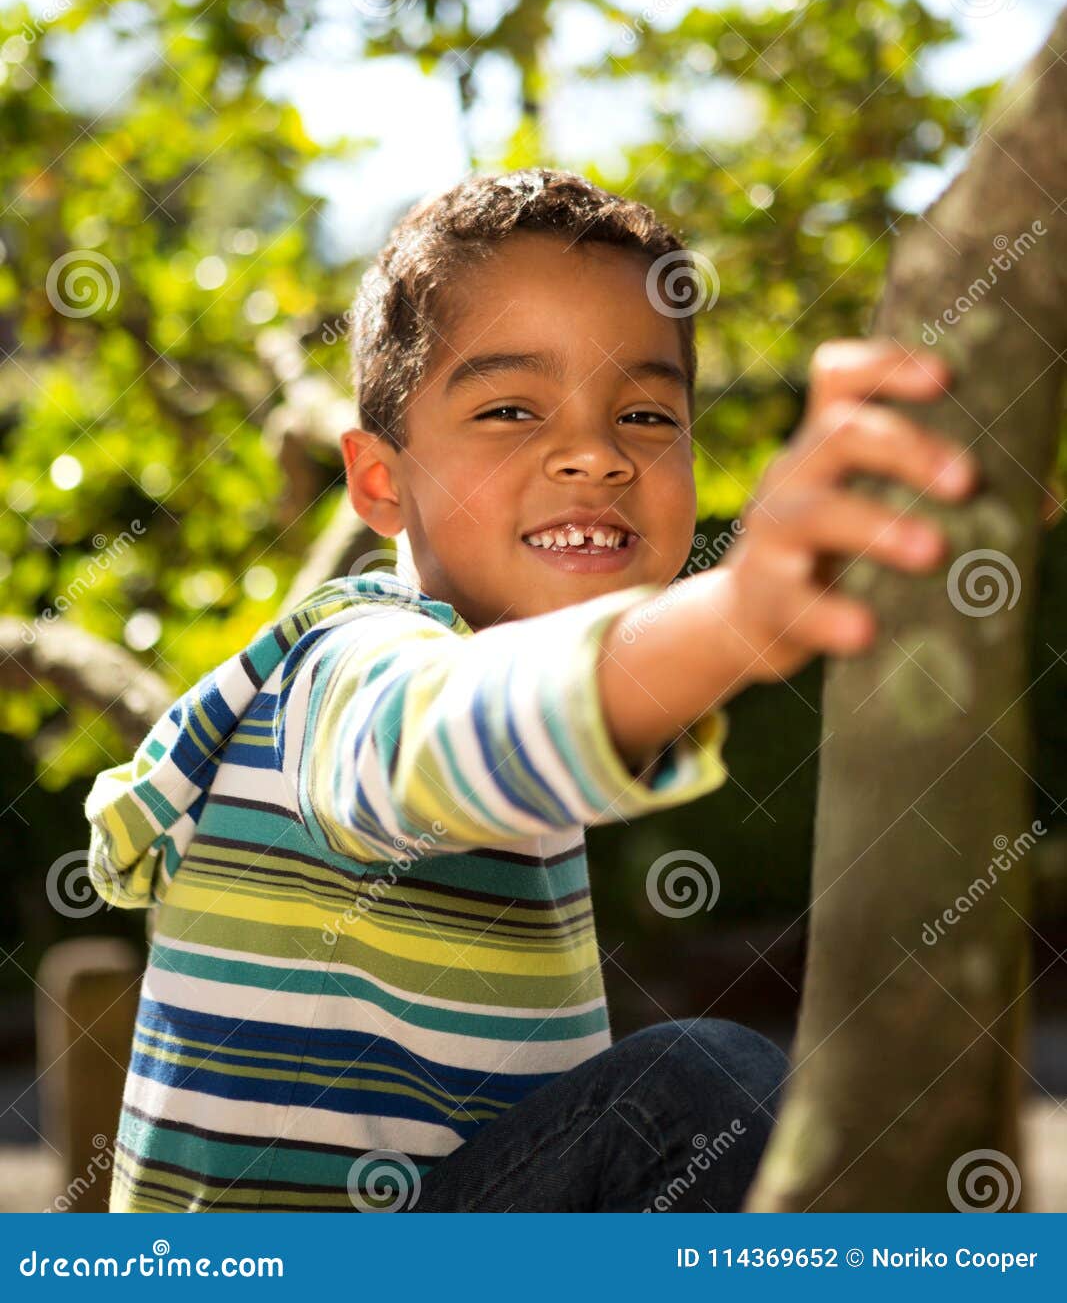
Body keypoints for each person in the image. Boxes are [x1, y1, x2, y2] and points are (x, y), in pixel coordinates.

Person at [85, 167, 981, 1212]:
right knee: (694, 1093)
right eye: (510, 407)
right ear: (380, 480)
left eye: (645, 414)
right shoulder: (340, 669)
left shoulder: (522, 734)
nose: (593, 454)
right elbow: (440, 730)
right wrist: (737, 614)